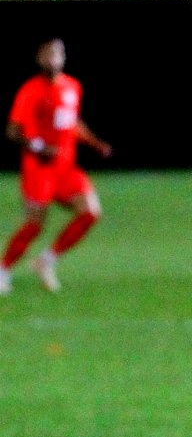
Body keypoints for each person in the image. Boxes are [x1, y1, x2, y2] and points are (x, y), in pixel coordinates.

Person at [2, 39, 111, 296]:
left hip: (65, 169)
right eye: (47, 53)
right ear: (39, 58)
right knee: (34, 224)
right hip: (38, 169)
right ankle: (3, 270)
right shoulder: (31, 91)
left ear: (63, 57)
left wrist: (95, 143)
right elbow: (12, 131)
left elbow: (71, 123)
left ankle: (45, 262)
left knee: (90, 212)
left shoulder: (73, 87)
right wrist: (39, 147)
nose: (52, 58)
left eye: (57, 53)